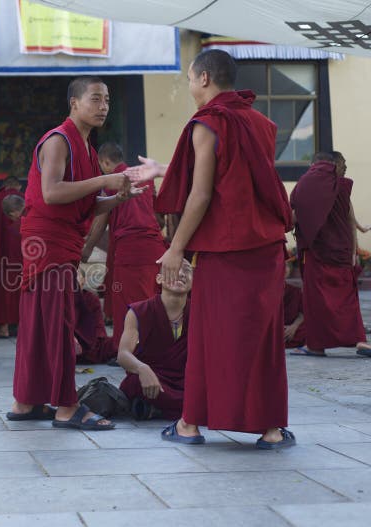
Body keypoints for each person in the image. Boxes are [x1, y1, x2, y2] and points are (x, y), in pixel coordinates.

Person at [131, 50, 295, 448]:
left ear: (204, 78)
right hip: (266, 248)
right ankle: (270, 429)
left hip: (226, 250)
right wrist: (161, 170)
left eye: (189, 78)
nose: (189, 86)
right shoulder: (258, 122)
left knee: (210, 336)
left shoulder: (208, 122)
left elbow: (203, 192)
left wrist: (176, 248)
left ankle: (190, 424)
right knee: (262, 337)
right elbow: (232, 175)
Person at [8, 76, 141, 431]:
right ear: (74, 104)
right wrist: (103, 181)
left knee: (40, 324)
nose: (103, 107)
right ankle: (67, 407)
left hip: (61, 241)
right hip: (47, 242)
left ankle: (26, 402)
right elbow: (51, 193)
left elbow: (84, 203)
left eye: (107, 100)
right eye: (95, 99)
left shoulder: (88, 149)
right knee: (58, 325)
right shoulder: (58, 140)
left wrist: (118, 198)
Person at [83, 142, 167, 346]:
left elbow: (101, 219)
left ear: (105, 162)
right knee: (154, 300)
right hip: (155, 247)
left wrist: (86, 250)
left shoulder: (112, 182)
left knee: (128, 302)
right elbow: (160, 219)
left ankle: (129, 349)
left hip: (130, 250)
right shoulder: (144, 178)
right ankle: (154, 346)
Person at [290, 152, 370, 358]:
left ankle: (316, 346)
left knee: (316, 300)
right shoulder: (342, 188)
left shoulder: (310, 185)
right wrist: (353, 250)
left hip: (319, 252)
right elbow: (351, 222)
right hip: (341, 252)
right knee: (346, 300)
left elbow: (296, 215)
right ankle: (360, 340)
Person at [117, 260, 192, 421]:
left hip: (187, 380)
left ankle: (157, 409)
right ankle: (188, 410)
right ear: (159, 279)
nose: (180, 274)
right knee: (134, 382)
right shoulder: (140, 310)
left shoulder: (200, 312)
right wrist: (142, 368)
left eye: (187, 271)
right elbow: (123, 354)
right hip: (153, 379)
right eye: (173, 269)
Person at [0, 176, 24, 338]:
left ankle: (3, 327)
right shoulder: (25, 198)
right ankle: (19, 323)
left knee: (3, 290)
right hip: (23, 255)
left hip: (1, 253)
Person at [74, 269, 115, 365]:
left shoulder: (91, 298)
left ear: (83, 281)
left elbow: (98, 325)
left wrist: (93, 343)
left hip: (89, 343)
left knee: (117, 341)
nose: (73, 280)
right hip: (67, 343)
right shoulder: (59, 299)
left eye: (77, 276)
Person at [283, 259, 306, 350]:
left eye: (287, 266)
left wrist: (294, 327)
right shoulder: (265, 291)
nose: (285, 269)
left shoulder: (294, 290)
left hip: (291, 328)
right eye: (282, 265)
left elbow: (302, 313)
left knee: (307, 328)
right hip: (273, 329)